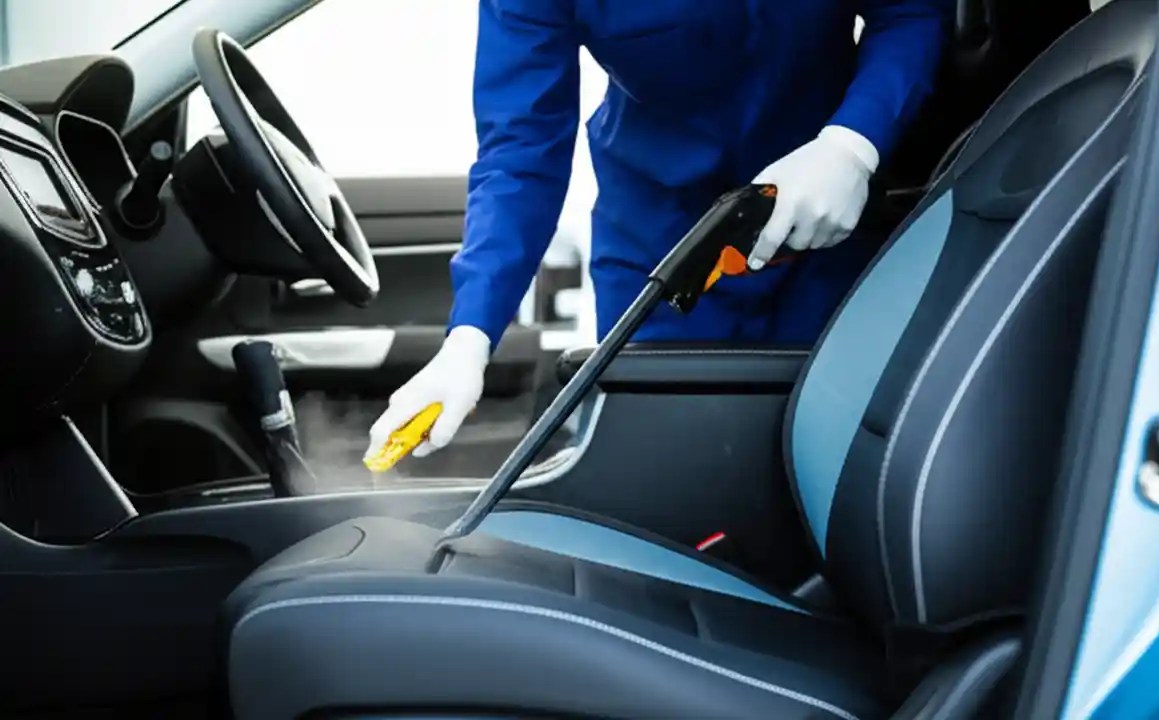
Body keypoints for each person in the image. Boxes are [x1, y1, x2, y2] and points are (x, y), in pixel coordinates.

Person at [367, 0, 952, 461]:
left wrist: (853, 144)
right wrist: (469, 339)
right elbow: (520, 150)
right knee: (664, 469)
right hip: (659, 243)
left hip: (828, 217)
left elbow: (908, 11)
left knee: (837, 453)